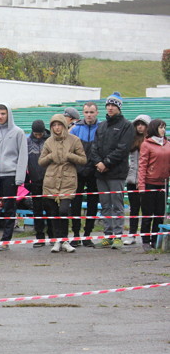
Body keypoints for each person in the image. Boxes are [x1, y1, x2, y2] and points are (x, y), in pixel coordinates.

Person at [89, 93, 134, 249]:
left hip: (116, 173)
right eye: (108, 105)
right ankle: (108, 235)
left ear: (119, 107)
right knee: (105, 205)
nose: (110, 107)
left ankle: (117, 235)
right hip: (101, 173)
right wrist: (98, 163)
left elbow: (122, 149)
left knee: (117, 205)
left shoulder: (126, 126)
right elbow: (94, 148)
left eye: (113, 105)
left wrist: (106, 163)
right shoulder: (101, 126)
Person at [39, 114, 87, 253]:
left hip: (67, 179)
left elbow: (83, 159)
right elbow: (41, 162)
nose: (57, 127)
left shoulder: (74, 140)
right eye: (54, 125)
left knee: (64, 210)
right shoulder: (48, 142)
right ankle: (57, 240)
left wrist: (70, 156)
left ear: (64, 125)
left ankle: (65, 239)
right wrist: (50, 156)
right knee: (53, 211)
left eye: (59, 124)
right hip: (51, 179)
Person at [0, 103, 27, 250]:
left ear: (8, 114)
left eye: (3, 114)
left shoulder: (18, 132)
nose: (0, 116)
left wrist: (19, 178)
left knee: (10, 208)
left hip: (11, 175)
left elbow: (23, 156)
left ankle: (6, 240)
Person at [69, 103, 100, 246]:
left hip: (95, 171)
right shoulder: (75, 129)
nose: (89, 115)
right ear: (83, 113)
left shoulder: (102, 128)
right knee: (76, 203)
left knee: (93, 203)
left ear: (97, 113)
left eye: (92, 112)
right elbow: (69, 150)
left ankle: (88, 234)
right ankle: (76, 234)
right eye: (86, 112)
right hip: (78, 171)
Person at [138, 119, 169, 252]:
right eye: (161, 127)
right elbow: (142, 165)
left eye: (164, 127)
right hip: (150, 183)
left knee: (159, 214)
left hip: (163, 184)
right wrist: (141, 185)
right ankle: (145, 240)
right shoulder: (147, 144)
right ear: (154, 128)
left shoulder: (167, 144)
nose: (163, 130)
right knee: (147, 214)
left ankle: (156, 240)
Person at [25, 120, 53, 246]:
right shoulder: (27, 141)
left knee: (50, 208)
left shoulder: (50, 140)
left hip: (48, 180)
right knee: (37, 210)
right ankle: (39, 236)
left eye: (39, 134)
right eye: (35, 134)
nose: (37, 136)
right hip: (34, 179)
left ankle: (52, 235)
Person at [124, 115, 151, 244]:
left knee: (146, 208)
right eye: (138, 124)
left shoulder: (150, 141)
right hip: (131, 179)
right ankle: (132, 234)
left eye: (143, 124)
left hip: (145, 180)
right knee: (134, 208)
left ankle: (146, 235)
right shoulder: (130, 140)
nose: (140, 127)